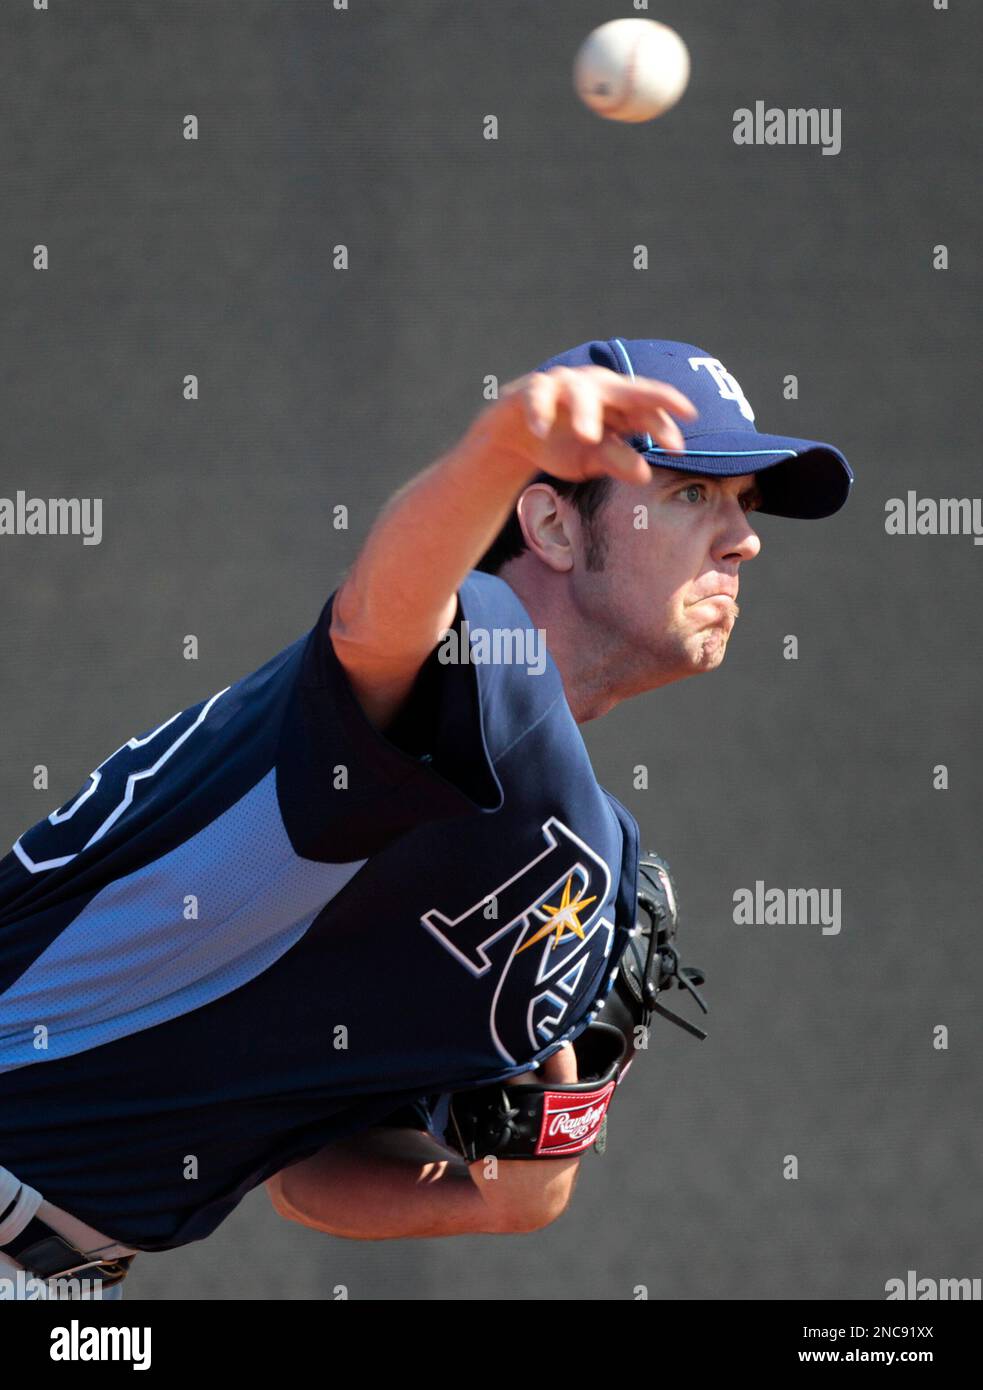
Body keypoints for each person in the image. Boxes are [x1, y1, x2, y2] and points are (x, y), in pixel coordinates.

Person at [0, 336, 851, 1295]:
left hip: (66, 1280)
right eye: (692, 493)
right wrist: (499, 444)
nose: (743, 537)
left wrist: (492, 1199)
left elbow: (309, 1173)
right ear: (553, 526)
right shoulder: (482, 656)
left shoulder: (589, 856)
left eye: (745, 502)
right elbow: (378, 618)